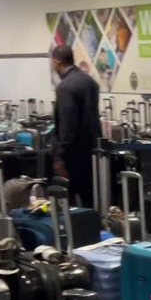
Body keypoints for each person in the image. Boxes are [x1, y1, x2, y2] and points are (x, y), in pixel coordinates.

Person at [51, 45, 101, 208]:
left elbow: (68, 126)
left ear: (57, 62)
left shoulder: (65, 87)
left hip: (74, 155)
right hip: (93, 150)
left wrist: (60, 157)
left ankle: (76, 232)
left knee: (71, 203)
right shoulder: (89, 81)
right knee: (91, 198)